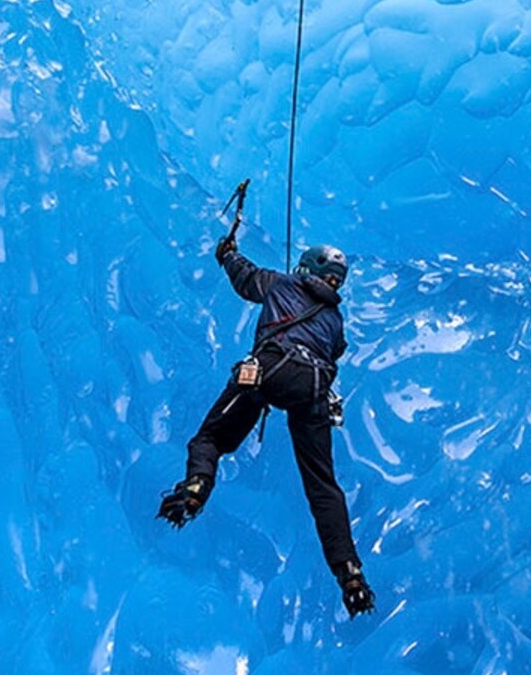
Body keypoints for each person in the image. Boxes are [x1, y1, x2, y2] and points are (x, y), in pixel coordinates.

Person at [156, 223, 376, 615]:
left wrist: (226, 252)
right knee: (323, 485)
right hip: (312, 390)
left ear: (306, 267)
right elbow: (335, 352)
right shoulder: (335, 320)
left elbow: (245, 278)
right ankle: (350, 572)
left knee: (210, 440)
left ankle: (196, 486)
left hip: (270, 369)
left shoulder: (280, 284)